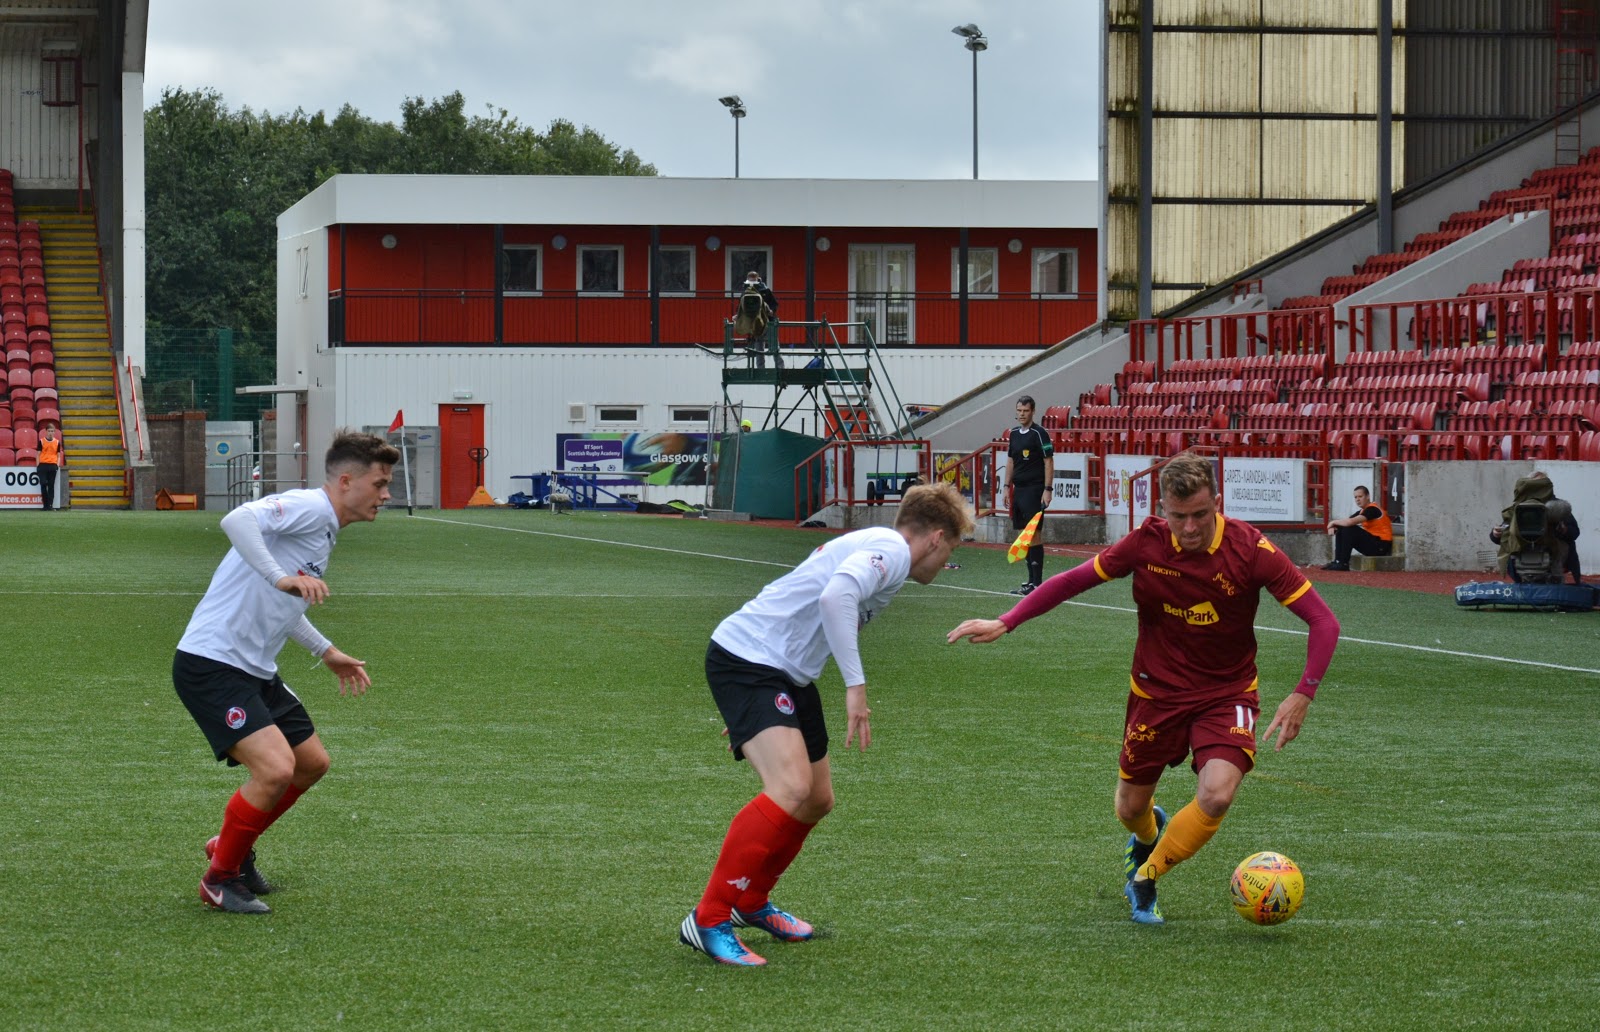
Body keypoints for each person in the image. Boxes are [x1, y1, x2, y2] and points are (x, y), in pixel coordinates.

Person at [947, 451, 1340, 926]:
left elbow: (1323, 621)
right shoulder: (1145, 543)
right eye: (1179, 517)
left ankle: (1146, 877)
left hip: (1227, 693)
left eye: (1200, 514)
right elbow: (1076, 579)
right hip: (1155, 695)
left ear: (1217, 501)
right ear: (1162, 509)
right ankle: (1148, 834)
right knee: (1129, 809)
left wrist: (1303, 692)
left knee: (1216, 794)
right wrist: (1008, 619)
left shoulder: (1251, 550)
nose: (1190, 528)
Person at [680, 481, 975, 965]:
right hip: (750, 659)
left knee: (817, 798)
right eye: (952, 551)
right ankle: (709, 917)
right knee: (791, 786)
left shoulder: (885, 554)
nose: (947, 564)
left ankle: (751, 902)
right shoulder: (892, 550)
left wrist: (751, 718)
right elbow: (834, 595)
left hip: (784, 673)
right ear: (937, 538)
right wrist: (855, 687)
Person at [172, 429, 399, 914]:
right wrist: (280, 575)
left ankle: (229, 846)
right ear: (345, 481)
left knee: (312, 764)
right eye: (380, 483)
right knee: (275, 769)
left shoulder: (324, 529)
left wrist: (326, 651)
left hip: (253, 669)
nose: (386, 495)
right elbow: (237, 519)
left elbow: (282, 607)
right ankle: (219, 879)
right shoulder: (311, 507)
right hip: (211, 664)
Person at [1491, 471, 1582, 584]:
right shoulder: (1518, 508)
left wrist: (1564, 530)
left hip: (1552, 552)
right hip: (1522, 550)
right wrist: (1495, 533)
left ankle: (1555, 579)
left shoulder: (1557, 507)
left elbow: (1575, 532)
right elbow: (1502, 533)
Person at [1004, 395, 1054, 594]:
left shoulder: (1039, 433)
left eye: (1025, 411)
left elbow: (1048, 461)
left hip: (1034, 490)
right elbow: (1010, 460)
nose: (1022, 414)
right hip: (1019, 490)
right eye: (1019, 411)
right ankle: (1030, 581)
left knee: (1034, 535)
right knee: (1023, 536)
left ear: (1033, 411)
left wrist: (1047, 490)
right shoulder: (1014, 434)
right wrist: (1007, 486)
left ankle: (1037, 583)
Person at [1322, 485, 1392, 571]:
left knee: (1349, 529)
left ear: (1368, 496)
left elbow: (1350, 522)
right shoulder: (1362, 511)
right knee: (1344, 528)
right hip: (1373, 543)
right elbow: (1346, 521)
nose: (1357, 499)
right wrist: (1333, 526)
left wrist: (1332, 522)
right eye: (1355, 497)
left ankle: (1343, 563)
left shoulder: (1373, 509)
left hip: (1381, 546)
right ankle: (1338, 561)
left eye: (1360, 496)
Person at [732, 271, 779, 368]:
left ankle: (780, 367)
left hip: (768, 322)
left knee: (774, 347)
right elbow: (741, 307)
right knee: (759, 348)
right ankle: (760, 369)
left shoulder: (765, 290)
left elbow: (774, 304)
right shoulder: (745, 292)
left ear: (758, 279)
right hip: (756, 323)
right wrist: (737, 315)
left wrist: (771, 311)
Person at [37, 425, 62, 510]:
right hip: (43, 465)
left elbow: (58, 455)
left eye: (52, 431)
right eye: (49, 431)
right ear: (46, 431)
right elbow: (38, 454)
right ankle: (45, 505)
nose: (51, 433)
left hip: (52, 465)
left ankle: (50, 505)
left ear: (54, 432)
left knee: (51, 486)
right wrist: (38, 465)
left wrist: (57, 465)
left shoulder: (57, 442)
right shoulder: (41, 441)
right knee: (43, 484)